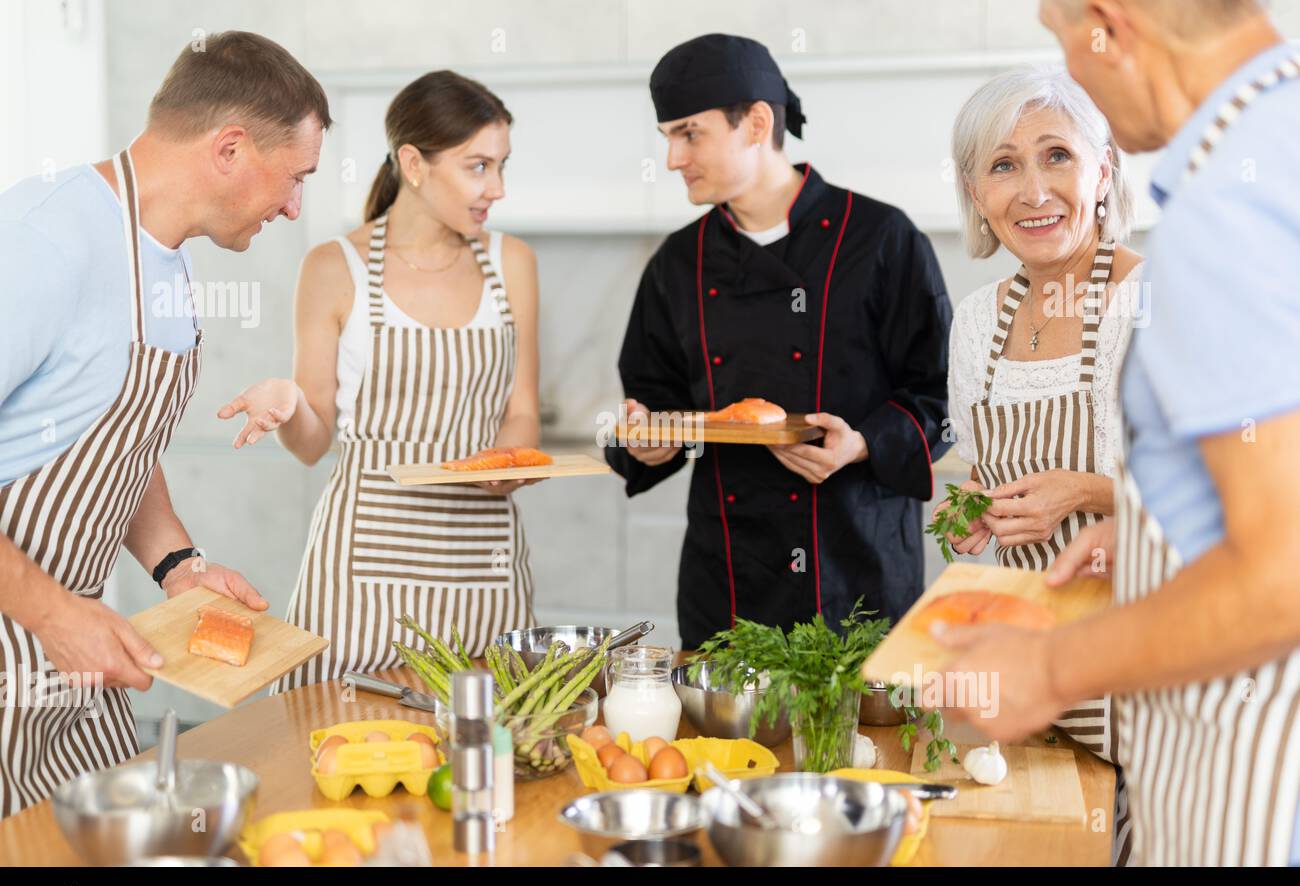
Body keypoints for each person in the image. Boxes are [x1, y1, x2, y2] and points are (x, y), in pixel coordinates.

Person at [937, 0, 1300, 865]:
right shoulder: (1276, 141)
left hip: (1232, 730)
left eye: (1061, 38)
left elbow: (1281, 568)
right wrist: (1134, 531)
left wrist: (1050, 670)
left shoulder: (1223, 215)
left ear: (1108, 24)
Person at [0, 31, 328, 817]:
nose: (294, 206)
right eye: (294, 179)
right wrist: (53, 614)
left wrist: (178, 564)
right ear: (229, 147)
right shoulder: (40, 242)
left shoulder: (169, 259)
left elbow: (114, 435)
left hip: (73, 662)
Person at [606, 34, 952, 649]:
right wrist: (643, 440)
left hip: (855, 571)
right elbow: (647, 403)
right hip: (727, 578)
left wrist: (865, 443)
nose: (673, 159)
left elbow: (939, 395)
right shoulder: (677, 264)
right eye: (667, 138)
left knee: (863, 747)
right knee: (720, 747)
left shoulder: (880, 240)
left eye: (689, 133)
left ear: (757, 123)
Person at [220, 71, 542, 684]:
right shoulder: (333, 267)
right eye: (478, 166)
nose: (496, 188)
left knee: (485, 747)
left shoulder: (513, 264)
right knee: (345, 743)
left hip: (484, 561)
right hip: (360, 575)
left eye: (502, 166)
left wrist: (508, 459)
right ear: (414, 163)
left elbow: (522, 408)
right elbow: (314, 444)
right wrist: (289, 404)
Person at [940, 67, 1143, 764]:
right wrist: (974, 504)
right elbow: (984, 467)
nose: (1033, 191)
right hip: (1033, 678)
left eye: (1057, 155)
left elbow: (1242, 500)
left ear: (1103, 172)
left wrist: (1087, 493)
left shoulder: (1150, 302)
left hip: (1155, 677)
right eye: (1004, 165)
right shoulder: (975, 323)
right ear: (977, 194)